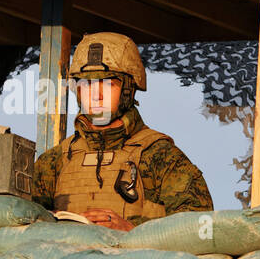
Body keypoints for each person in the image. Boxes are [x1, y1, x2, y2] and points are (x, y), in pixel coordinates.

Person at [31, 32, 213, 231]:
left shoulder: (159, 156)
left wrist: (132, 230)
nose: (96, 95)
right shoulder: (54, 161)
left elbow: (199, 226)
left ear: (128, 90)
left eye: (107, 84)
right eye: (86, 84)